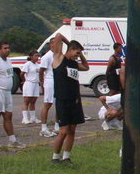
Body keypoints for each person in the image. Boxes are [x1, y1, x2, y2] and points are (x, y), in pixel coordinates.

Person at [50, 33, 89, 165]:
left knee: (72, 129)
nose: (77, 56)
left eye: (78, 55)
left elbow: (86, 66)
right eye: (76, 53)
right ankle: (55, 157)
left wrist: (80, 54)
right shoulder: (59, 58)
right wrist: (69, 43)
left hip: (75, 100)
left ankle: (66, 157)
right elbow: (59, 35)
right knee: (63, 131)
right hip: (63, 100)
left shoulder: (74, 63)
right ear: (70, 49)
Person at [0, 41, 26, 149]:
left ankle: (12, 140)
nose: (7, 50)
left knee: (8, 115)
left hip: (7, 92)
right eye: (4, 48)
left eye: (8, 48)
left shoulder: (8, 61)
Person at [39, 38, 59, 137]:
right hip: (50, 81)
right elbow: (41, 70)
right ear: (51, 44)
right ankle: (43, 128)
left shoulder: (59, 55)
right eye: (56, 43)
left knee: (59, 104)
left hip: (58, 82)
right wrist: (42, 83)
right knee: (48, 104)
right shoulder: (47, 57)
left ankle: (57, 126)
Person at [20, 50, 41, 124]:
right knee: (27, 101)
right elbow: (22, 73)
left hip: (35, 83)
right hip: (29, 83)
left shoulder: (37, 65)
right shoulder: (27, 64)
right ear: (31, 56)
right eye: (35, 56)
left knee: (33, 101)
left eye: (38, 56)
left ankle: (33, 117)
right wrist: (24, 80)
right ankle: (25, 118)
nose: (37, 57)